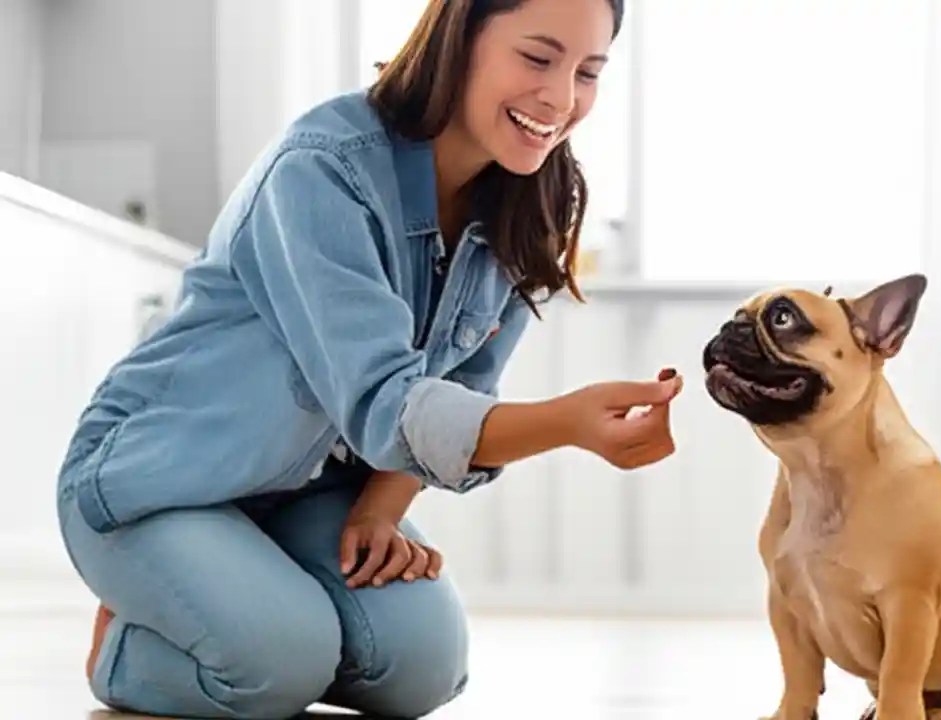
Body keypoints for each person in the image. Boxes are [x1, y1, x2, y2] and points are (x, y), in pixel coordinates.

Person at [55, 0, 682, 717]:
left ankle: (257, 616)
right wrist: (566, 423)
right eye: (538, 58)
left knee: (423, 668)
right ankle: (132, 650)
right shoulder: (322, 169)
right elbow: (388, 401)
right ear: (460, 35)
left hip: (303, 496)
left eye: (589, 72)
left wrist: (382, 511)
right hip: (160, 480)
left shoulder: (529, 201)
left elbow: (460, 386)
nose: (562, 99)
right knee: (279, 664)